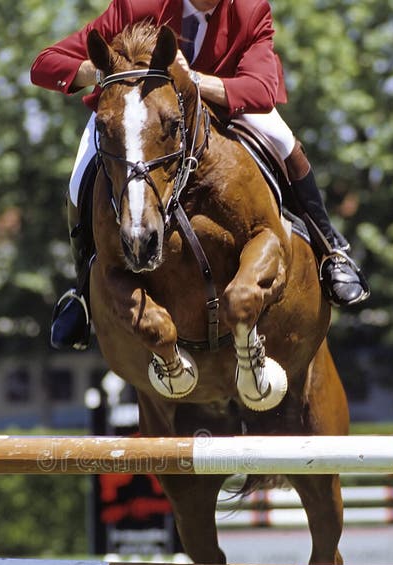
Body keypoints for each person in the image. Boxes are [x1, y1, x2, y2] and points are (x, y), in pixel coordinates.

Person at [31, 0, 370, 351]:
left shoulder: (249, 10)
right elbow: (45, 65)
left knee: (283, 140)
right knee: (78, 175)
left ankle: (331, 250)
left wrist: (191, 80)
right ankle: (82, 290)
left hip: (218, 106)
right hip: (138, 113)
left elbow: (261, 89)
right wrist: (103, 73)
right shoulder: (137, 4)